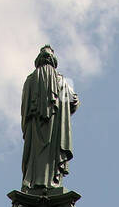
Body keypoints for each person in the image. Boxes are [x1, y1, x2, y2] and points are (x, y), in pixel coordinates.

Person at [21, 45, 79, 191]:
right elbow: (74, 102)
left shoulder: (30, 81)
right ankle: (52, 179)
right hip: (55, 129)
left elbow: (25, 109)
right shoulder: (63, 81)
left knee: (35, 157)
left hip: (35, 130)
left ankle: (33, 180)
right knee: (52, 158)